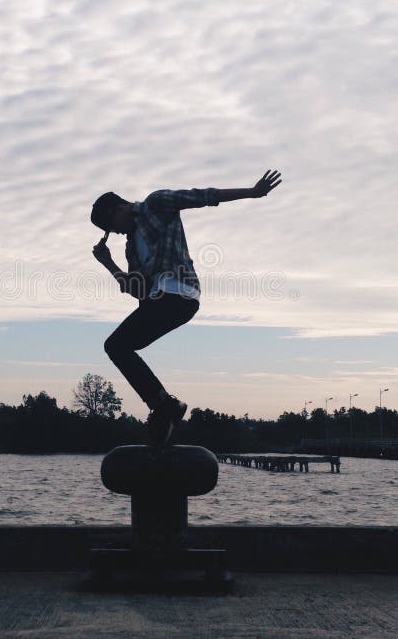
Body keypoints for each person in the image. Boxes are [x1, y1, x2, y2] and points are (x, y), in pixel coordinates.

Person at [90, 169, 282, 449]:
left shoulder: (156, 204)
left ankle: (165, 406)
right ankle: (165, 406)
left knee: (117, 345)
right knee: (118, 347)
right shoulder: (131, 249)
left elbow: (203, 196)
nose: (116, 233)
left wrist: (251, 193)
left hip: (180, 292)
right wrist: (109, 265)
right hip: (162, 300)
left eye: (112, 225)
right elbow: (137, 291)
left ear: (118, 208)